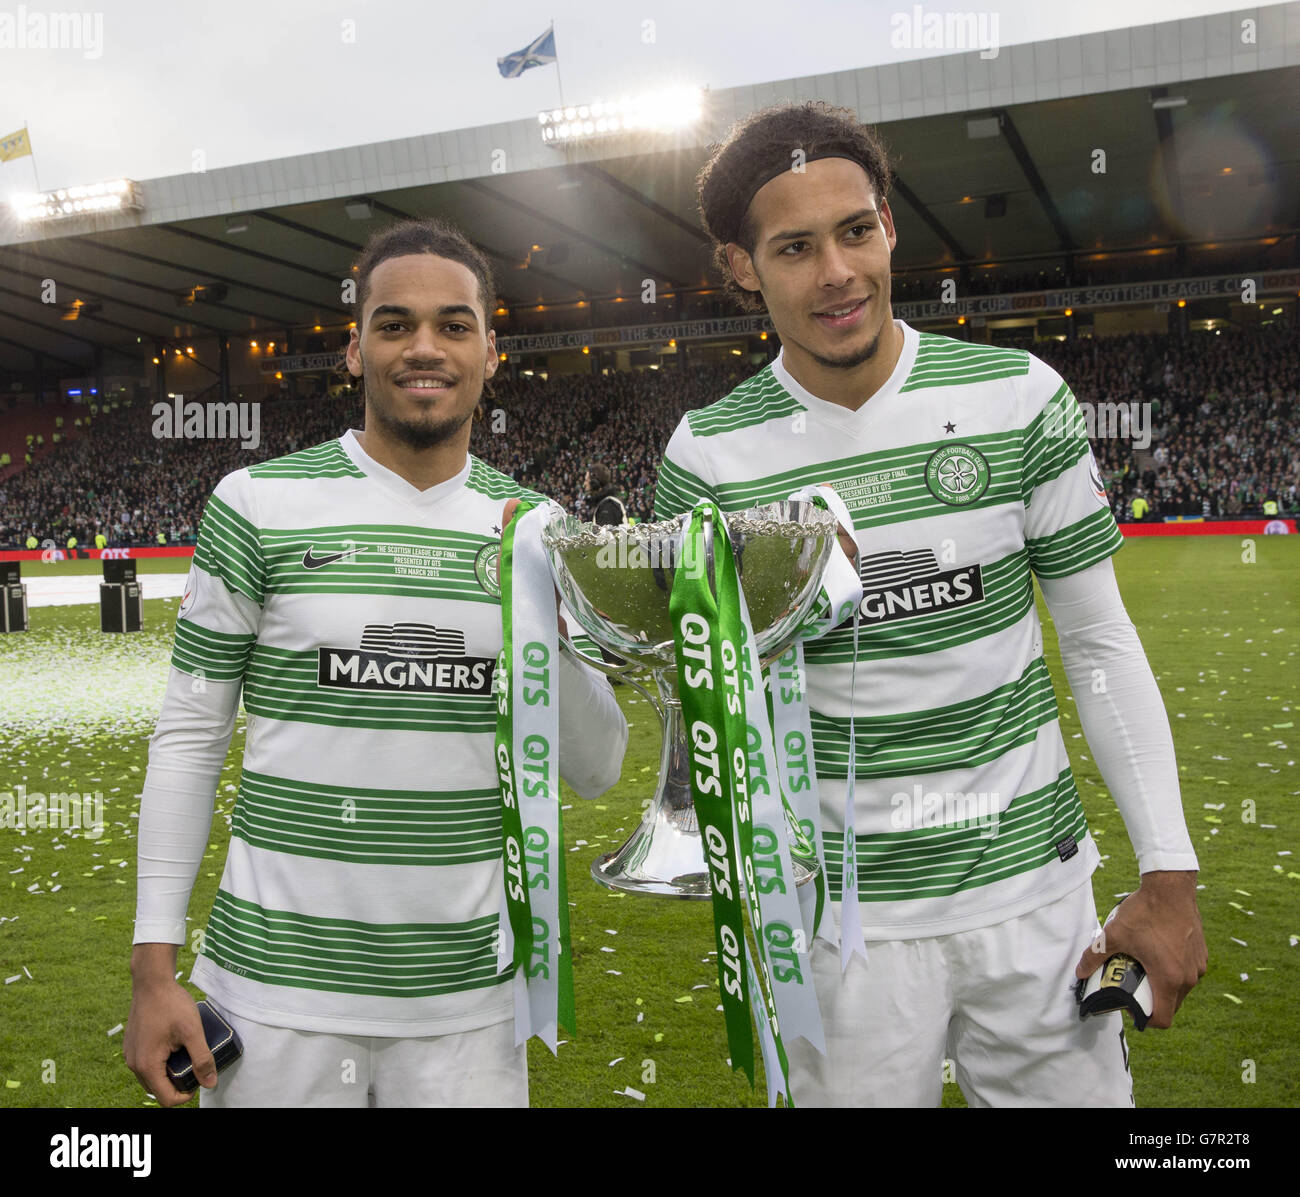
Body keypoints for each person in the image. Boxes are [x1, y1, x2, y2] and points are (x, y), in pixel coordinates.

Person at [653, 102, 1205, 1108]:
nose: (837, 274)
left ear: (890, 225)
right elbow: (704, 707)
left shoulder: (1017, 396)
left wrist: (1167, 870)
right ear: (739, 265)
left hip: (1034, 907)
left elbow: (1094, 637)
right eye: (794, 247)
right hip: (836, 932)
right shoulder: (707, 457)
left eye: (856, 231)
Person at [125, 218, 628, 1108]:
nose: (423, 348)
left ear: (491, 352)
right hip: (276, 996)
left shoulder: (542, 529)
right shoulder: (256, 503)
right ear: (354, 350)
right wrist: (153, 968)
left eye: (453, 325)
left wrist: (545, 628)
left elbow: (597, 769)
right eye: (394, 325)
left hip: (468, 1004)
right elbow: (190, 736)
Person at [583, 462, 627, 527]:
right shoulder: (604, 504)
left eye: (586, 480)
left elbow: (607, 536)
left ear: (595, 483)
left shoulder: (608, 506)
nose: (584, 484)